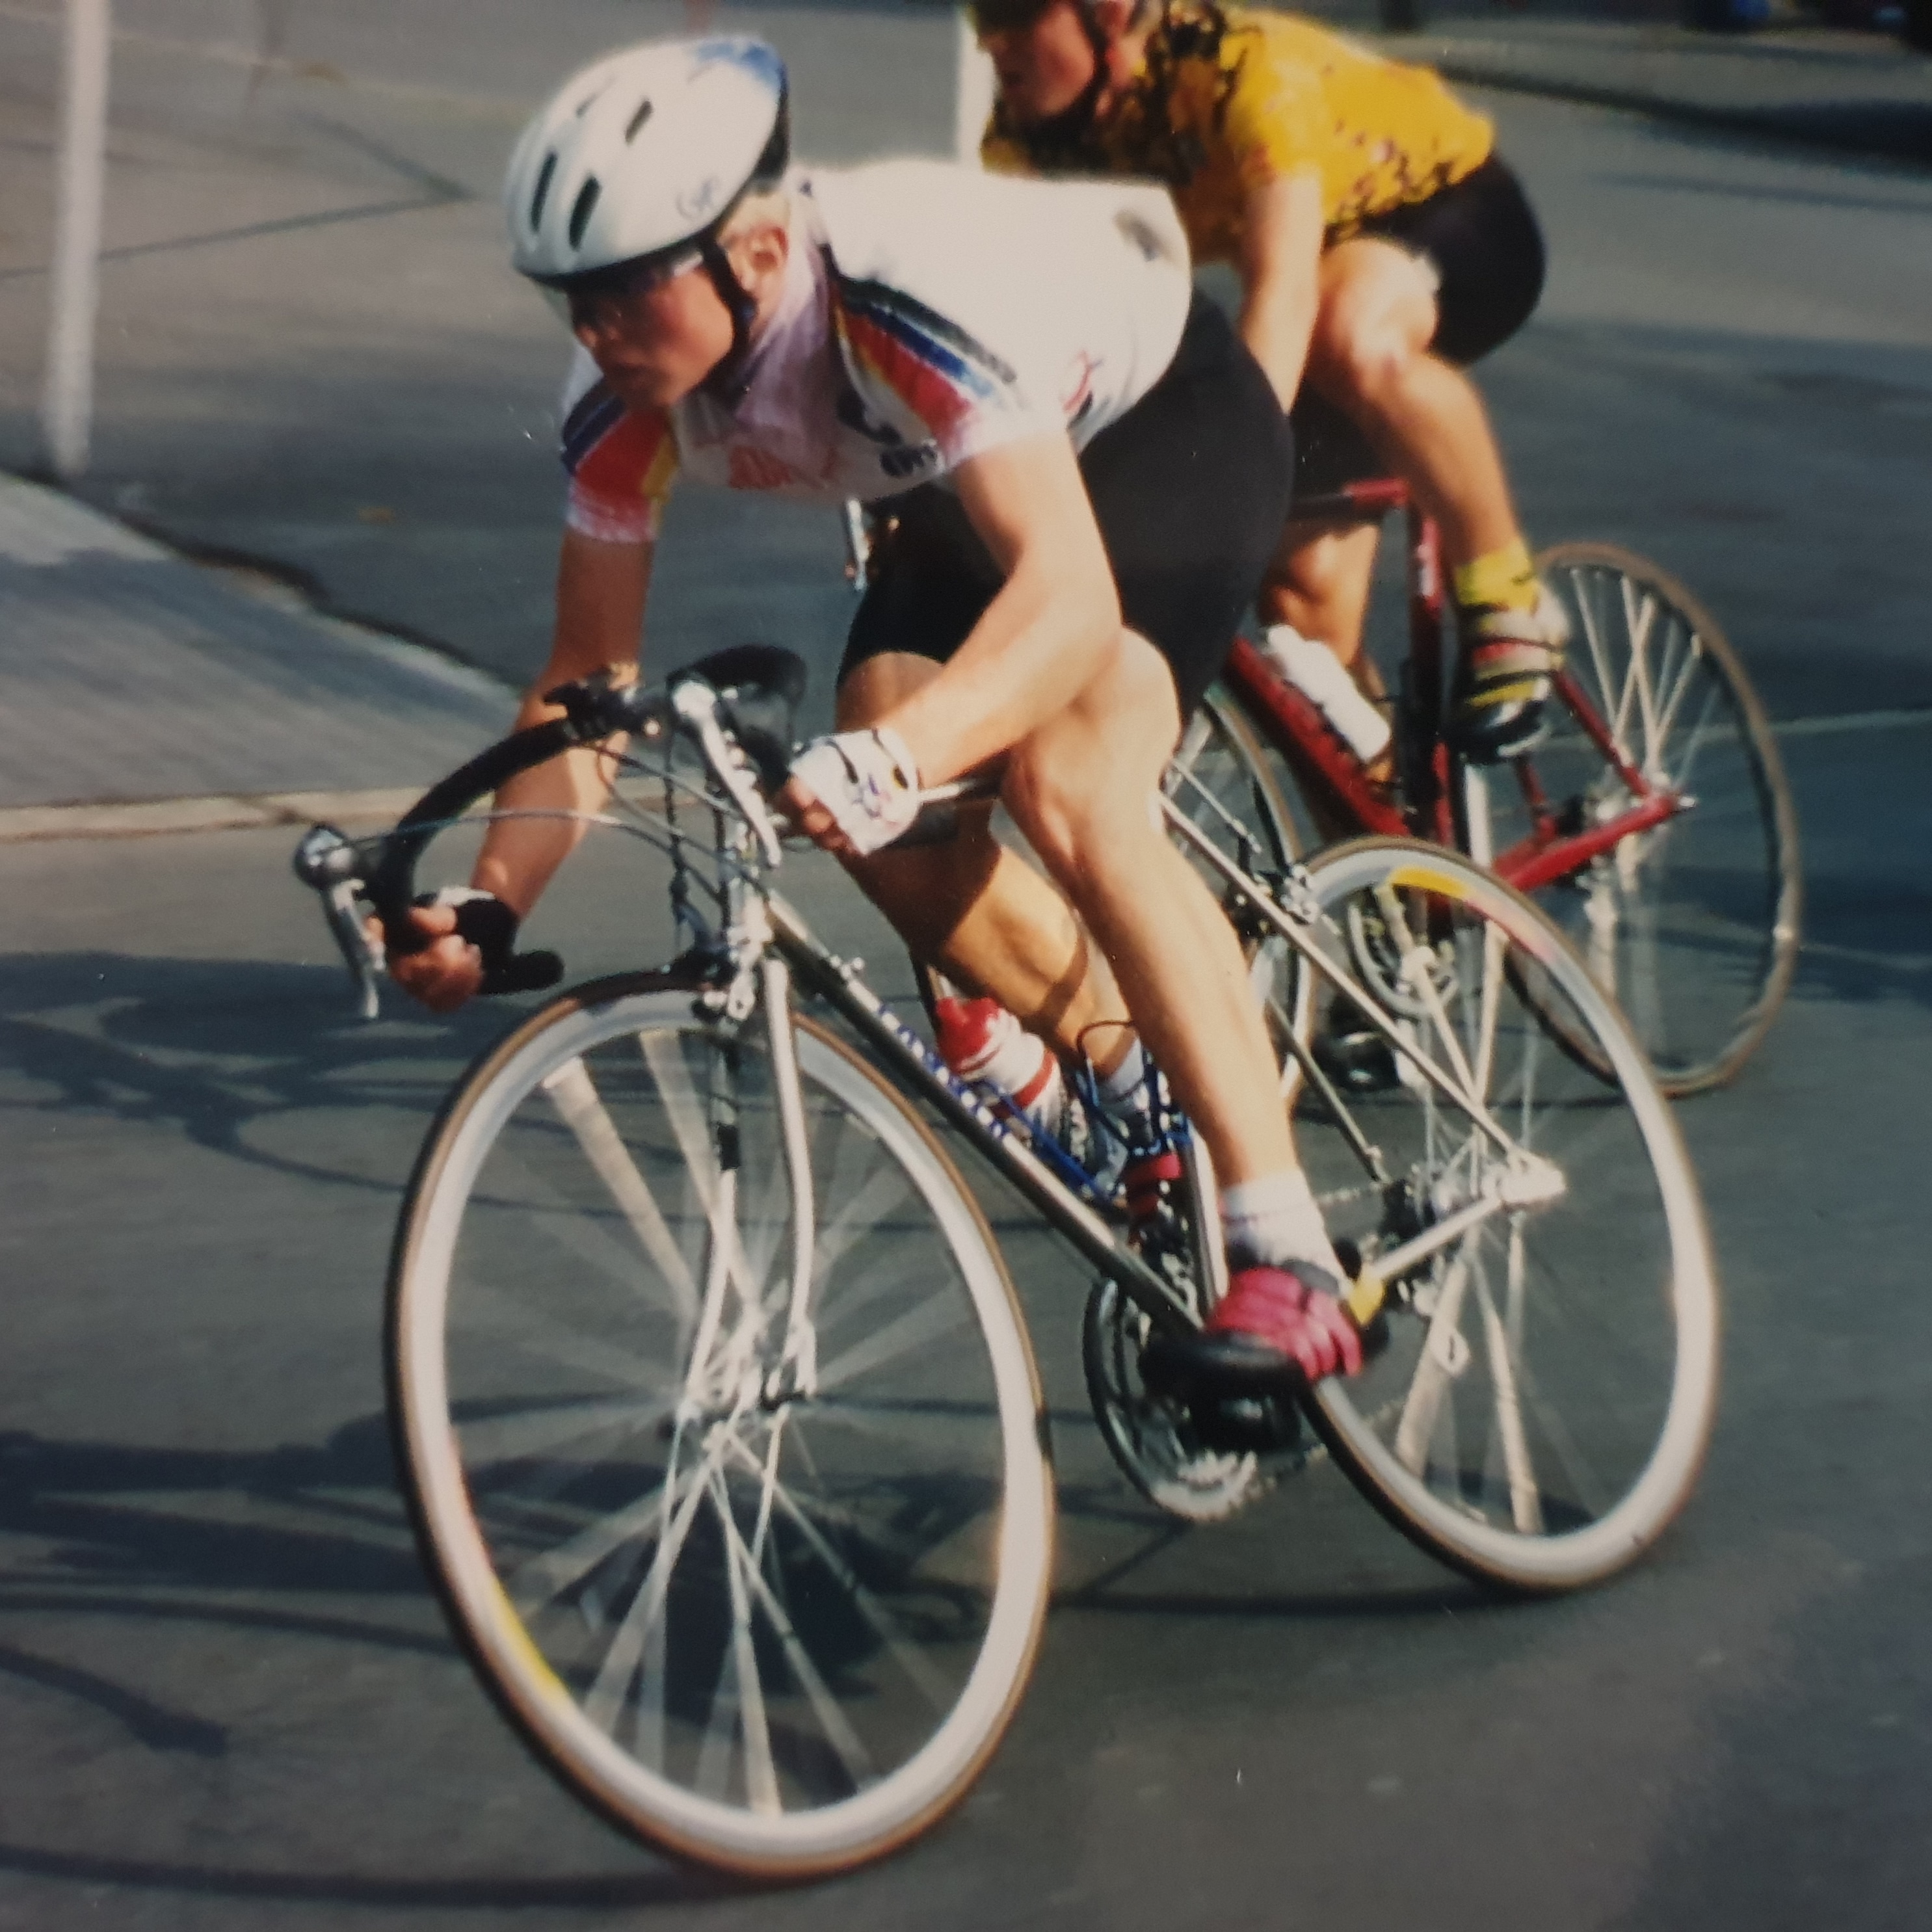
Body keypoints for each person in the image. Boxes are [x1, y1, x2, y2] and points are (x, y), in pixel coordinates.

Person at [382, 36, 1363, 1396]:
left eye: (622, 293)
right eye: (572, 303)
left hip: (1162, 422)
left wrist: (900, 755)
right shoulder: (622, 401)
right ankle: (1138, 1075)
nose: (594, 334)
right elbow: (584, 680)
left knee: (1071, 787)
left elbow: (1069, 598)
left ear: (755, 253)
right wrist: (494, 900)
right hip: (973, 470)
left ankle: (1290, 1254)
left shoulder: (888, 299)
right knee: (887, 834)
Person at [976, 0, 1560, 762]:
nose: (991, 42)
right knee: (1303, 604)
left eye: (1015, 12)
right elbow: (1033, 327)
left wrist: (1225, 477)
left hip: (1454, 218)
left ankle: (1507, 602)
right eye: (980, 13)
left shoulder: (1242, 70)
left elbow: (1284, 291)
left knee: (1347, 328)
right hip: (1325, 279)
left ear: (1108, 14)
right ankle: (1391, 827)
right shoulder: (1024, 139)